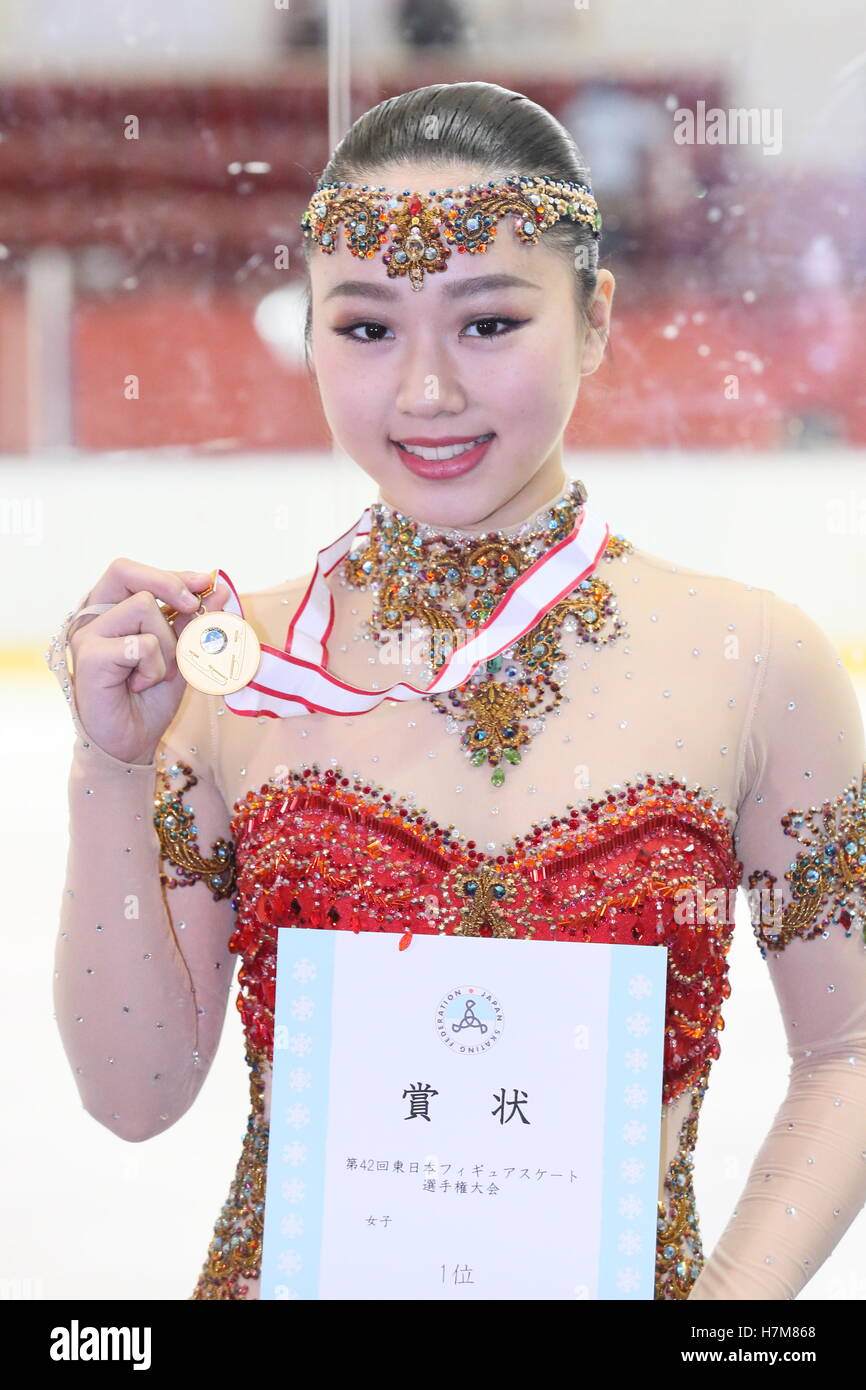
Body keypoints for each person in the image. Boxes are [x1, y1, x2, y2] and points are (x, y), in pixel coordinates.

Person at [46, 81, 866, 1301]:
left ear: (594, 317)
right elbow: (134, 1098)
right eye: (366, 329)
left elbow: (850, 1047)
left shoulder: (752, 661)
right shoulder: (234, 669)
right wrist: (110, 766)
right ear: (309, 331)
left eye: (486, 323)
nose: (424, 391)